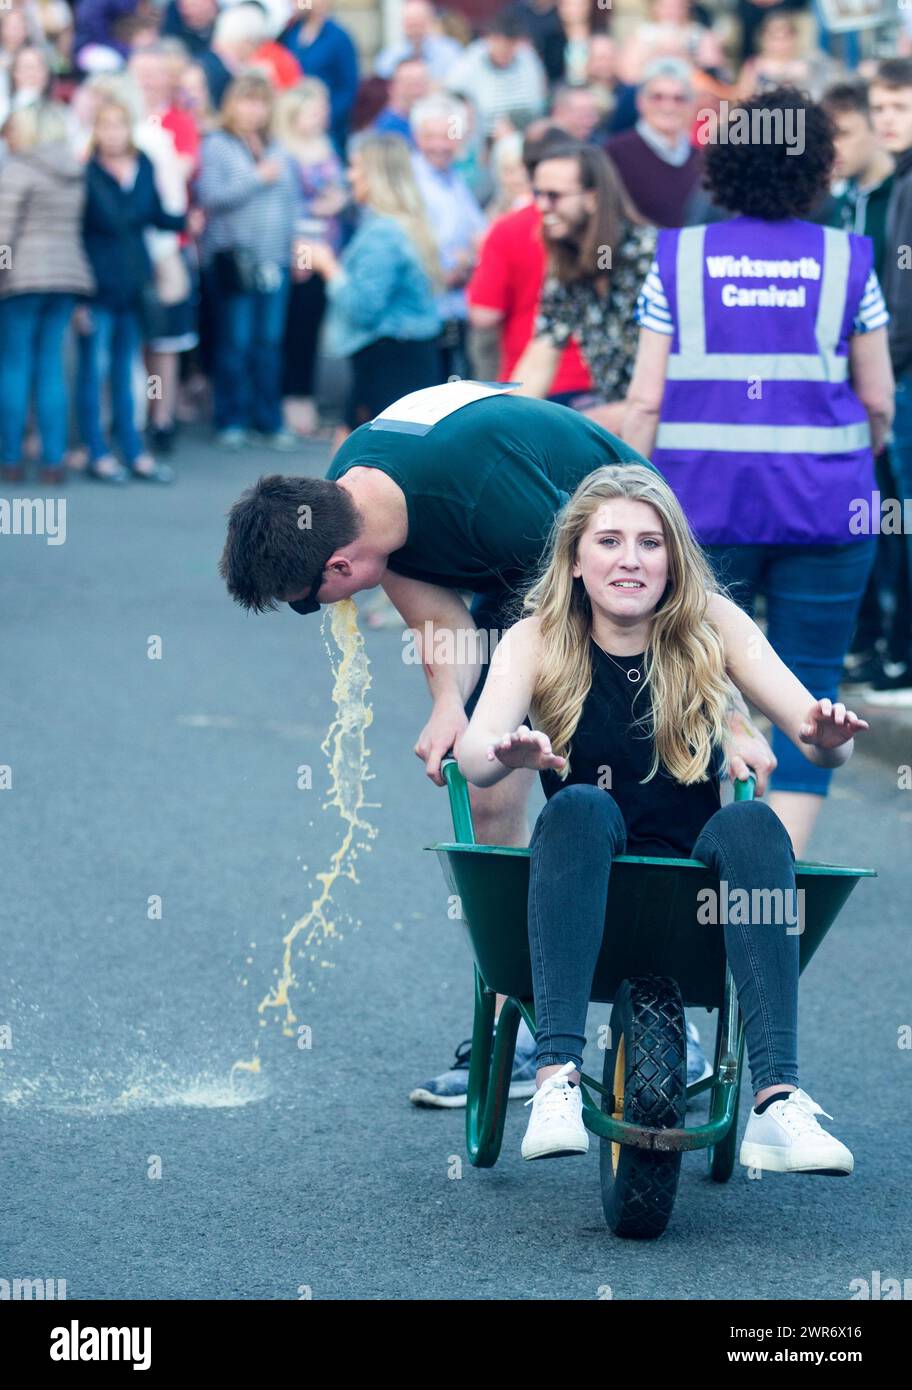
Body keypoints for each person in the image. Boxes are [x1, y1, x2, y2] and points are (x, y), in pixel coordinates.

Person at [217, 383, 777, 1104]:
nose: (312, 611)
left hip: (606, 547)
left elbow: (670, 616)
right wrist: (451, 706)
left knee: (631, 779)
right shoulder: (354, 505)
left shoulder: (495, 503)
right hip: (514, 571)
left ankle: (668, 1015)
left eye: (303, 602)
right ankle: (537, 1024)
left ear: (340, 569)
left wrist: (728, 714)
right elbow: (440, 620)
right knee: (488, 795)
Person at [457, 463, 863, 1173]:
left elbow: (811, 731)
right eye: (609, 541)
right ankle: (554, 1074)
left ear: (673, 558)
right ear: (576, 559)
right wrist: (504, 750)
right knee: (582, 802)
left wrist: (828, 740)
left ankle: (776, 1100)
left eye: (650, 543)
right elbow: (474, 758)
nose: (630, 560)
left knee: (756, 825)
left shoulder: (710, 621)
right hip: (584, 870)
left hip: (694, 882)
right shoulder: (536, 637)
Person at [622, 87, 894, 855]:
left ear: (725, 166)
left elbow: (643, 402)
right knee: (810, 689)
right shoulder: (847, 259)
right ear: (817, 168)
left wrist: (630, 506)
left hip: (702, 509)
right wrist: (847, 461)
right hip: (829, 509)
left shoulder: (677, 257)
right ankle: (776, 875)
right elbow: (878, 400)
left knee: (701, 675)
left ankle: (706, 855)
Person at [824, 80, 901, 694]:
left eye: (846, 131)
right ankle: (874, 639)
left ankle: (898, 648)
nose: (835, 147)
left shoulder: (897, 194)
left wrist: (874, 374)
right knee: (873, 521)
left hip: (890, 378)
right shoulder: (843, 199)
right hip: (863, 383)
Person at [78, 94, 186, 484]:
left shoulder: (143, 166)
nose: (112, 133)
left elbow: (155, 214)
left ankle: (135, 451)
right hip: (97, 289)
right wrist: (79, 298)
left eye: (118, 125)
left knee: (128, 372)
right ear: (96, 131)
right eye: (104, 126)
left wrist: (186, 219)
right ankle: (98, 452)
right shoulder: (87, 173)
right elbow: (80, 232)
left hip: (135, 286)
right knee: (95, 370)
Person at [512, 141, 656, 433]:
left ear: (593, 198)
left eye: (554, 196)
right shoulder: (567, 263)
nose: (541, 206)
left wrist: (598, 421)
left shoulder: (649, 256)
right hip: (622, 419)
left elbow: (675, 376)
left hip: (665, 422)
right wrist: (505, 421)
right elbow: (542, 354)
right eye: (537, 193)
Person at [306, 133, 442, 435]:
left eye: (355, 168)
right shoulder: (402, 223)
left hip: (389, 360)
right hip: (404, 355)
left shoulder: (384, 232)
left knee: (360, 465)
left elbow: (362, 307)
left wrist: (328, 267)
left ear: (375, 176)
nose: (349, 176)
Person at [195, 72, 298, 450]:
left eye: (261, 101)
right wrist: (257, 177)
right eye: (246, 100)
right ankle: (231, 418)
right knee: (234, 341)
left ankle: (269, 419)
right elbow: (211, 196)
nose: (254, 109)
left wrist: (297, 247)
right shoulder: (218, 144)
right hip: (235, 260)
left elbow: (292, 202)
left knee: (269, 343)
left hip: (276, 259)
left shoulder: (278, 146)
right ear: (232, 104)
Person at [0, 101, 94, 485]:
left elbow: (2, 236)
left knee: (14, 365)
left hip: (22, 279)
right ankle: (54, 461)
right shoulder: (73, 173)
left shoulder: (18, 170)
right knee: (51, 367)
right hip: (67, 278)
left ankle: (11, 459)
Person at [467, 128, 593, 401]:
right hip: (582, 381)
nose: (547, 209)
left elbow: (484, 314)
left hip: (535, 385)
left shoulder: (509, 228)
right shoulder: (610, 230)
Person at [869, 59, 912, 704]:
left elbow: (904, 305)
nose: (886, 119)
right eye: (879, 107)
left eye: (900, 106)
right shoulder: (894, 183)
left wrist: (881, 369)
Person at [274, 78, 346, 438]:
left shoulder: (326, 146)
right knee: (295, 328)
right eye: (313, 111)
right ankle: (291, 400)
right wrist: (298, 253)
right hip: (301, 248)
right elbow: (284, 206)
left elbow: (340, 189)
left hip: (328, 247)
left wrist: (338, 201)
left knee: (313, 325)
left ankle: (306, 398)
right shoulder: (285, 153)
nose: (321, 117)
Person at [410, 93, 486, 382]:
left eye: (448, 136)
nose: (440, 145)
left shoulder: (454, 178)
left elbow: (479, 235)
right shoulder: (412, 182)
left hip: (456, 310)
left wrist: (470, 258)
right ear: (417, 137)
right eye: (431, 136)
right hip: (426, 311)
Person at [604, 57, 703, 230]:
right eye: (658, 97)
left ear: (692, 104)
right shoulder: (615, 152)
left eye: (679, 98)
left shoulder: (701, 160)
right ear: (640, 102)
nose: (668, 107)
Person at [444, 12, 547, 139]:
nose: (503, 49)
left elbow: (539, 102)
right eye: (498, 42)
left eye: (510, 44)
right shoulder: (470, 62)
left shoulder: (528, 58)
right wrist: (456, 137)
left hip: (526, 132)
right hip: (482, 137)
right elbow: (451, 100)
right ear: (488, 39)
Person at [280, 0, 359, 157]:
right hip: (293, 125)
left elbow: (348, 87)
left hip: (326, 128)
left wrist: (324, 117)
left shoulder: (339, 38)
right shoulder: (290, 34)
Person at [374, 0, 463, 83]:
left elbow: (458, 85)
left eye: (419, 24)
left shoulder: (450, 51)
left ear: (430, 23)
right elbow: (382, 86)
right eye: (410, 25)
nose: (415, 31)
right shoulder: (390, 55)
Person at [370, 56, 430, 144]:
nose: (416, 91)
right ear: (392, 88)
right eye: (409, 84)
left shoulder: (436, 120)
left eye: (420, 83)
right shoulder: (387, 129)